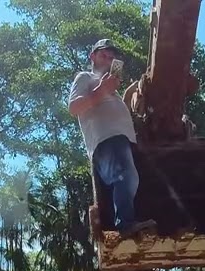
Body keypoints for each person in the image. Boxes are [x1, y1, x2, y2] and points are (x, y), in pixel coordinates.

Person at [67, 39, 157, 237]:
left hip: (122, 141)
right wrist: (102, 90)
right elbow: (74, 107)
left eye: (111, 57)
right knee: (125, 175)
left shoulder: (113, 91)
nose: (108, 60)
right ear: (92, 57)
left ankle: (130, 221)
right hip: (107, 139)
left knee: (131, 178)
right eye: (103, 55)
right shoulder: (85, 77)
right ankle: (125, 224)